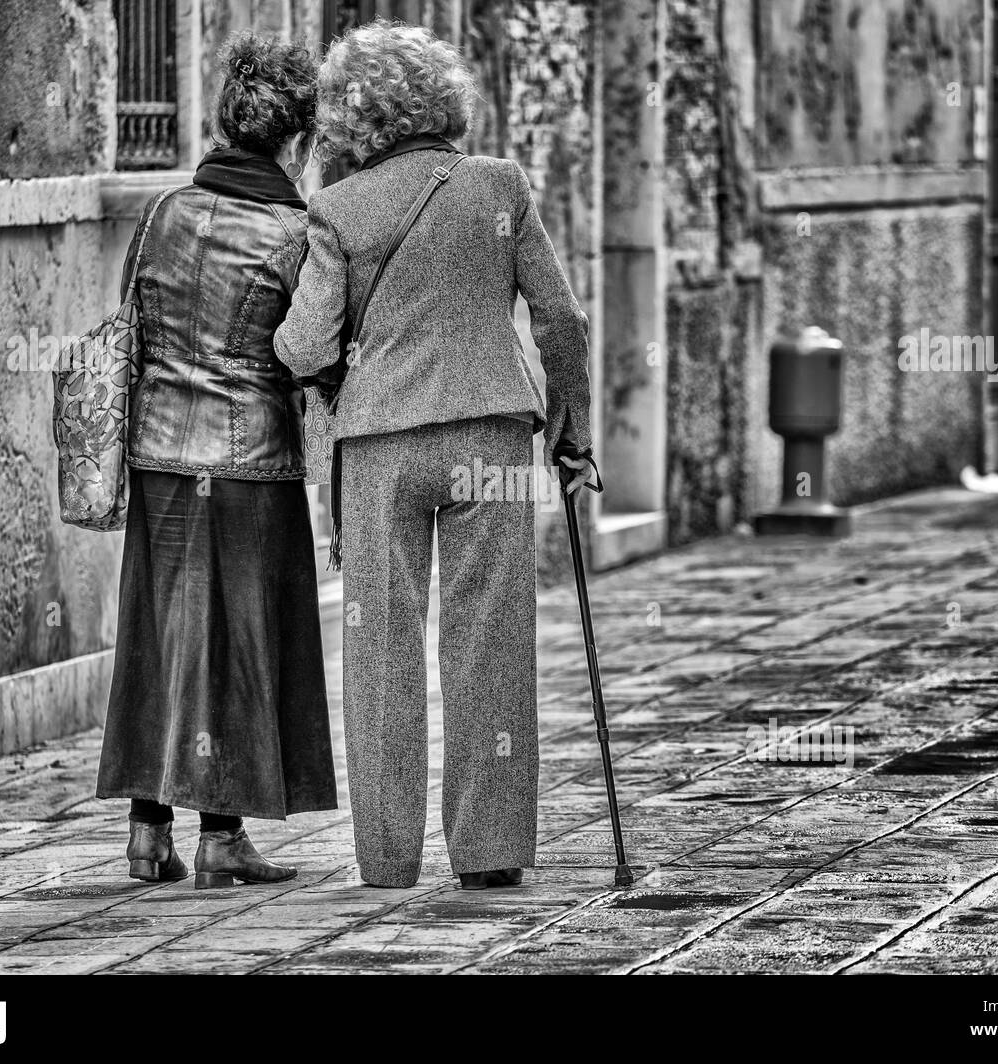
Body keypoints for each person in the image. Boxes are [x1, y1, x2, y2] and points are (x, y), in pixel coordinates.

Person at [275, 20, 600, 891]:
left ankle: (387, 858)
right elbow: (562, 320)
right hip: (491, 434)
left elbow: (305, 347)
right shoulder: (499, 184)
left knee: (380, 647)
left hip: (381, 446)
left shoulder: (338, 211)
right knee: (489, 638)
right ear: (444, 100)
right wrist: (572, 431)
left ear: (351, 117)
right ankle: (490, 850)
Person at [96, 31, 337, 890]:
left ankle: (146, 830)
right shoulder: (294, 233)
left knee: (161, 639)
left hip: (159, 455)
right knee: (237, 648)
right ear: (297, 140)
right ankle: (224, 836)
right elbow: (308, 355)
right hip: (248, 464)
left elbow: (137, 326)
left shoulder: (162, 213)